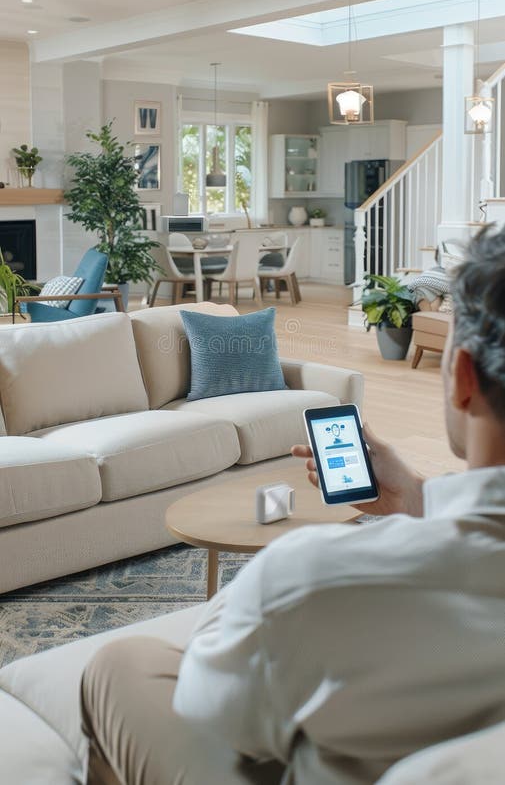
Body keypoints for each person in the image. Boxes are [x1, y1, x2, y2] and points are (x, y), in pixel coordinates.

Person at [81, 226, 505, 785]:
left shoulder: (314, 576)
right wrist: (420, 497)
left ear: (463, 377)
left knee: (118, 664)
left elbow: (221, 716)